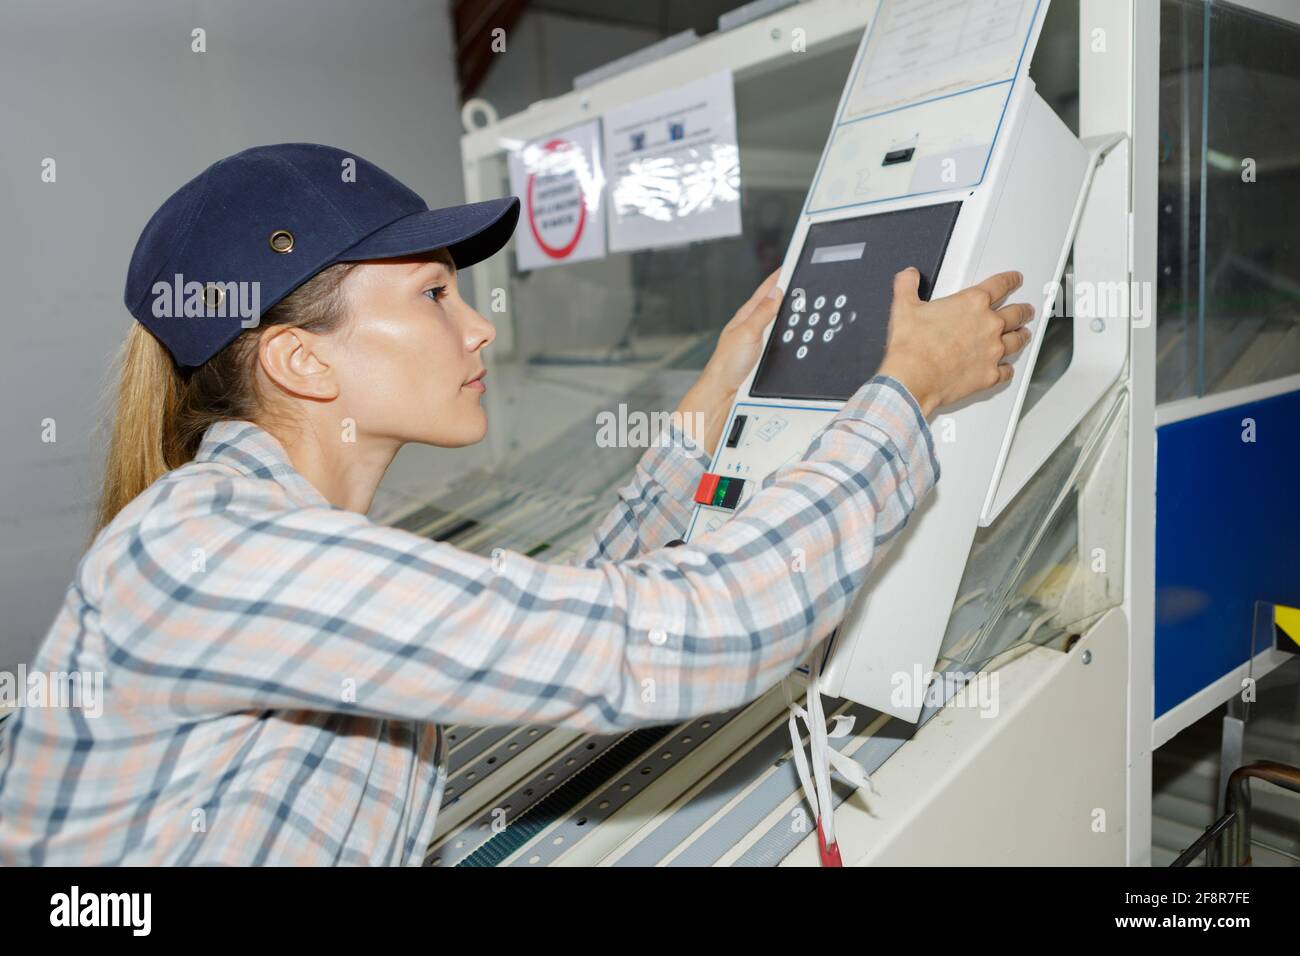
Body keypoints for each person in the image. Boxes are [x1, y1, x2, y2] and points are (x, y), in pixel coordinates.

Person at [0, 143, 1031, 865]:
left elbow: (553, 617)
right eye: (434, 295)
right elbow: (696, 631)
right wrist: (908, 394)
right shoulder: (214, 552)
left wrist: (713, 393)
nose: (479, 328)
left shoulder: (276, 544)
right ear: (301, 359)